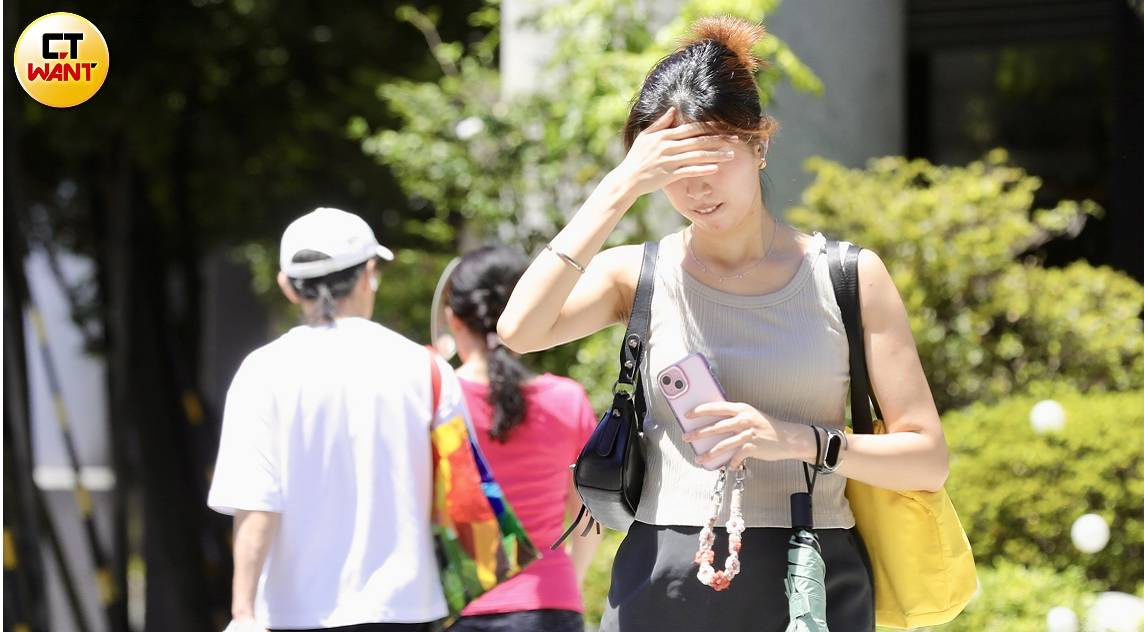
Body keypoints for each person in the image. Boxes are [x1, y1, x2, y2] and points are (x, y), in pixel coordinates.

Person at [496, 17, 949, 632]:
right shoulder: (639, 274)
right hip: (664, 576)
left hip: (810, 573)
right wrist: (618, 187)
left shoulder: (848, 276)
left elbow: (927, 459)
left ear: (759, 142)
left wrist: (799, 440)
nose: (696, 186)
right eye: (670, 171)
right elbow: (520, 330)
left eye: (713, 155)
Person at [208, 207, 463, 632]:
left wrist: (243, 612)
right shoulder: (427, 368)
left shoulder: (262, 371)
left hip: (295, 613)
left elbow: (256, 499)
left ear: (288, 287)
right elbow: (460, 486)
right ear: (369, 273)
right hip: (405, 607)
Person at [440, 245, 601, 632]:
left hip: (460, 605)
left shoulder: (436, 400)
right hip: (550, 604)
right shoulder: (567, 399)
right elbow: (588, 519)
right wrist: (566, 584)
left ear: (454, 319)